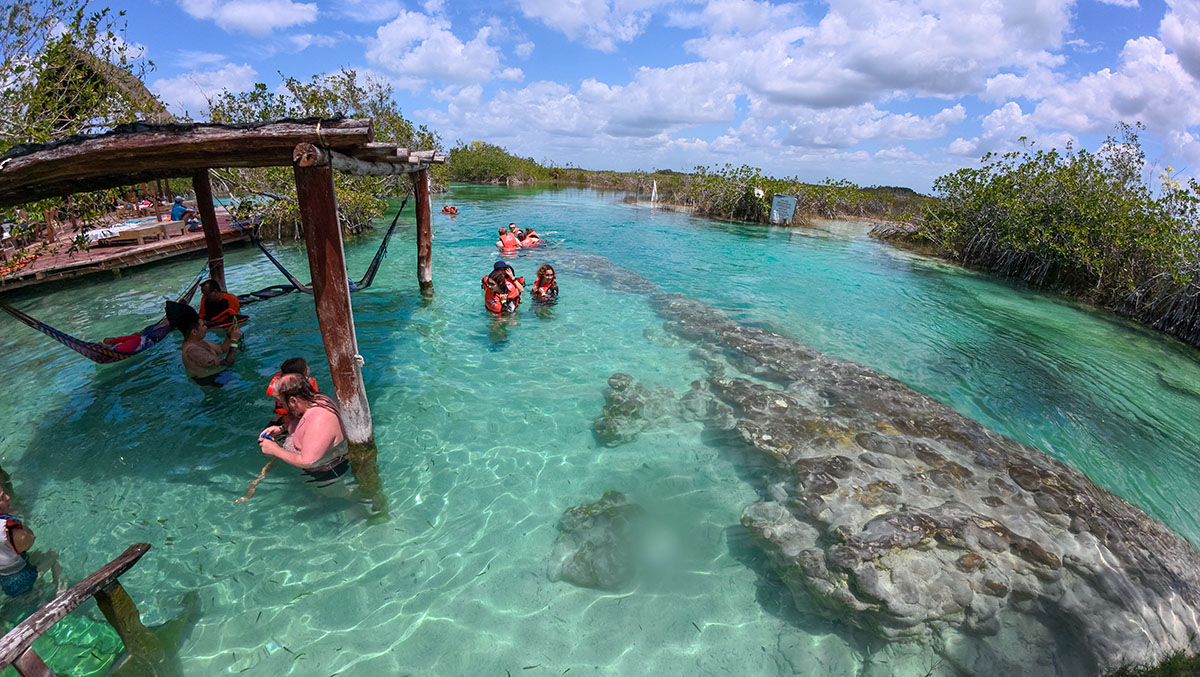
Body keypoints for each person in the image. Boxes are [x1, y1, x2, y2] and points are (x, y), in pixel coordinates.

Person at [258, 374, 350, 486]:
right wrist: (282, 428)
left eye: (282, 403)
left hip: (327, 475)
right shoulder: (313, 399)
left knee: (342, 498)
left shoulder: (320, 421)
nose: (282, 407)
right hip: (318, 472)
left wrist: (274, 450)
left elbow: (308, 461)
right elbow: (300, 419)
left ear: (293, 400)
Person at [0, 489, 61, 597]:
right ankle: (60, 589)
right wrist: (13, 519)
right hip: (23, 577)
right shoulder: (8, 529)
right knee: (53, 554)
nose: (8, 497)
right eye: (1, 497)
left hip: (4, 578)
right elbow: (30, 539)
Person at [168, 301, 241, 387]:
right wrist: (234, 340)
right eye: (203, 326)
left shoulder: (199, 342)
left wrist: (229, 335)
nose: (206, 328)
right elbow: (228, 362)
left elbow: (222, 349)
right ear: (194, 332)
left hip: (217, 376)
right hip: (211, 382)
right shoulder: (193, 351)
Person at [266, 357, 320, 423]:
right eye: (306, 367)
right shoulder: (306, 383)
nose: (308, 368)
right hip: (298, 416)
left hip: (281, 415)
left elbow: (273, 394)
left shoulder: (279, 384)